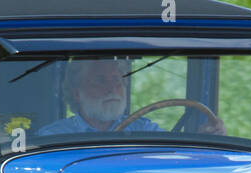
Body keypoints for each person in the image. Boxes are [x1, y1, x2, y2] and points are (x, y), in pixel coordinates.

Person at [39, 58, 225, 136]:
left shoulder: (144, 129)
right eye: (100, 81)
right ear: (77, 94)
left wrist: (206, 138)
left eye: (117, 81)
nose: (112, 89)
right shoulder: (55, 136)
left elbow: (173, 157)